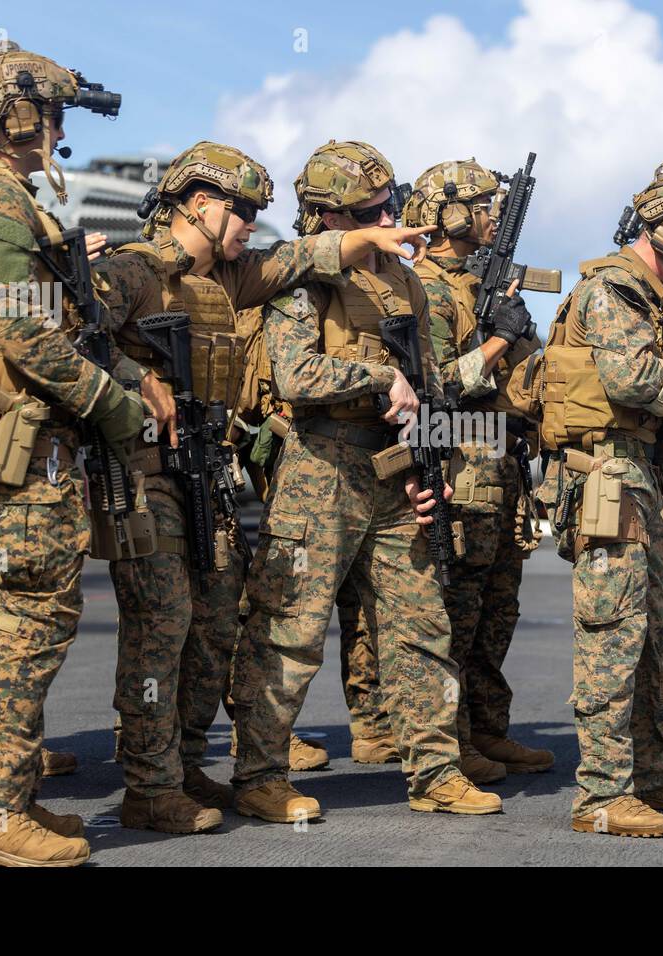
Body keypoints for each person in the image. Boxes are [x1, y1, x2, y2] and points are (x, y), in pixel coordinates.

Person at [93, 140, 431, 831]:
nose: (251, 222)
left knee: (215, 625)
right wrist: (137, 379)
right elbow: (63, 332)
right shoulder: (132, 272)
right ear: (198, 203)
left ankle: (185, 765)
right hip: (143, 474)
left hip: (205, 476)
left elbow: (302, 258)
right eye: (242, 209)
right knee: (162, 626)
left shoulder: (230, 278)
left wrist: (368, 232)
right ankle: (149, 786)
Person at [0, 41, 142, 866]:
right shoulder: (0, 200)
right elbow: (21, 334)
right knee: (33, 620)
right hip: (17, 443)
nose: (56, 126)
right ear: (20, 116)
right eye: (50, 112)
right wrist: (115, 408)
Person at [229, 140, 500, 822]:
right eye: (373, 210)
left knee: (420, 626)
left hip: (392, 473)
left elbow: (433, 384)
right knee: (289, 626)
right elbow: (295, 377)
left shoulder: (405, 280)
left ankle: (435, 772)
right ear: (329, 217)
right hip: (321, 468)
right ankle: (260, 775)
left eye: (390, 203)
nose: (390, 217)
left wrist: (423, 463)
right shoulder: (302, 278)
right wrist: (382, 379)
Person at [536, 162, 663, 837]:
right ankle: (600, 797)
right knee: (613, 637)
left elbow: (652, 433)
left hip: (636, 479)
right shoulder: (612, 292)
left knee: (655, 637)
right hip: (603, 483)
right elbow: (628, 381)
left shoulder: (651, 305)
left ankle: (653, 776)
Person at [400, 158, 553, 782]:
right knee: (455, 619)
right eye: (482, 206)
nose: (492, 216)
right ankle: (451, 740)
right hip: (461, 472)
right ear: (452, 216)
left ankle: (488, 730)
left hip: (504, 470)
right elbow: (432, 394)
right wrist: (495, 342)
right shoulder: (427, 291)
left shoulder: (484, 286)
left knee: (498, 615)